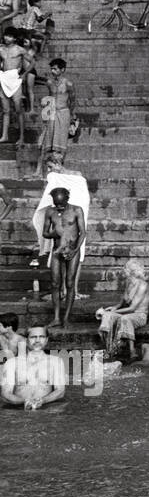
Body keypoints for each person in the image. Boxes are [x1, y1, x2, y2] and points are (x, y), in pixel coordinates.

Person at [40, 187, 85, 328]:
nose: (59, 207)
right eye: (56, 204)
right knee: (54, 284)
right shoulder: (50, 211)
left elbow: (82, 233)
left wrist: (75, 250)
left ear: (67, 199)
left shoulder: (77, 210)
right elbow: (45, 233)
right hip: (57, 250)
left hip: (73, 250)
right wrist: (55, 232)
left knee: (70, 283)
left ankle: (66, 318)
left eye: (62, 204)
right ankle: (56, 318)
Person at [97, 258, 149, 362]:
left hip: (139, 315)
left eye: (125, 268)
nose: (123, 270)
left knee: (124, 318)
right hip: (128, 313)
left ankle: (132, 351)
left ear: (132, 272)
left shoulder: (143, 285)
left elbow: (133, 308)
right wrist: (114, 308)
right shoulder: (128, 283)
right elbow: (122, 303)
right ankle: (109, 348)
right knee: (107, 316)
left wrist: (112, 312)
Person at [1, 326, 65, 409]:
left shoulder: (56, 362)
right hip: (18, 411)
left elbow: (60, 391)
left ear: (46, 340)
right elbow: (5, 394)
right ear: (26, 340)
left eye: (41, 337)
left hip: (46, 411)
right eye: (33, 337)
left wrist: (42, 401)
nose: (37, 340)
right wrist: (24, 401)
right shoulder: (11, 363)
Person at [39, 58, 77, 175]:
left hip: (64, 113)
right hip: (52, 113)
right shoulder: (49, 83)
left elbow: (73, 101)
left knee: (61, 141)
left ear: (62, 70)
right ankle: (50, 168)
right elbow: (50, 99)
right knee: (49, 141)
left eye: (55, 69)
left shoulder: (68, 84)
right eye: (51, 68)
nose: (52, 71)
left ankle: (60, 166)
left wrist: (72, 118)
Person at [0, 27, 31, 144]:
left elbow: (32, 62)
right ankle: (4, 136)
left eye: (10, 36)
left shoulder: (20, 49)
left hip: (15, 79)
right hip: (4, 78)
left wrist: (24, 74)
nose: (7, 38)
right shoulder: (1, 49)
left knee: (18, 109)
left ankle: (22, 137)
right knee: (5, 110)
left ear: (14, 38)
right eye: (6, 35)